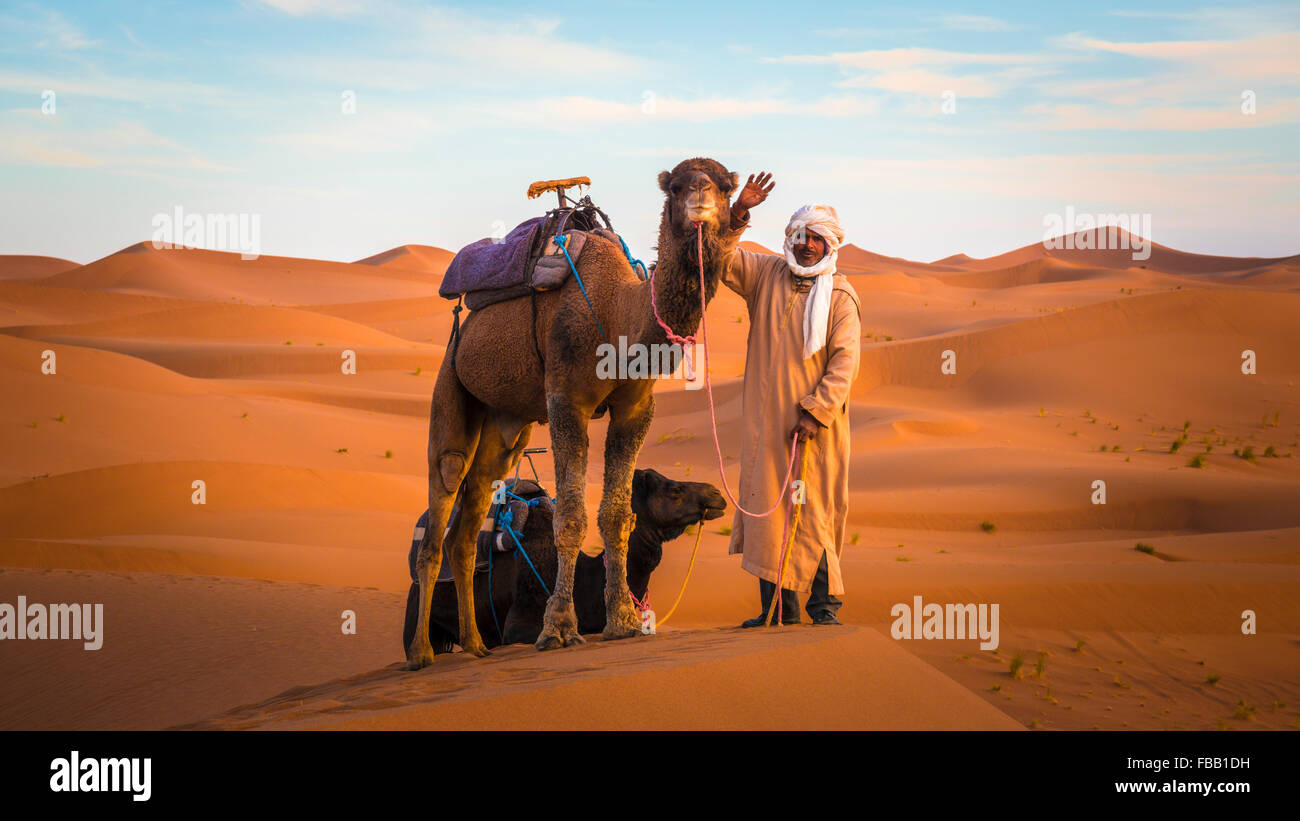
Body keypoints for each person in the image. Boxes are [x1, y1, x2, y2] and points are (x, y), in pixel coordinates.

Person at [720, 172, 861, 627]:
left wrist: (814, 414)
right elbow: (719, 259)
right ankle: (778, 611)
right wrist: (739, 211)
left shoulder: (840, 296)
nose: (804, 245)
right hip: (767, 430)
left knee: (812, 512)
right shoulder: (767, 276)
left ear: (828, 246)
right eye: (799, 236)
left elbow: (845, 363)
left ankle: (824, 611)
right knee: (768, 511)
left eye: (814, 239)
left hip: (811, 433)